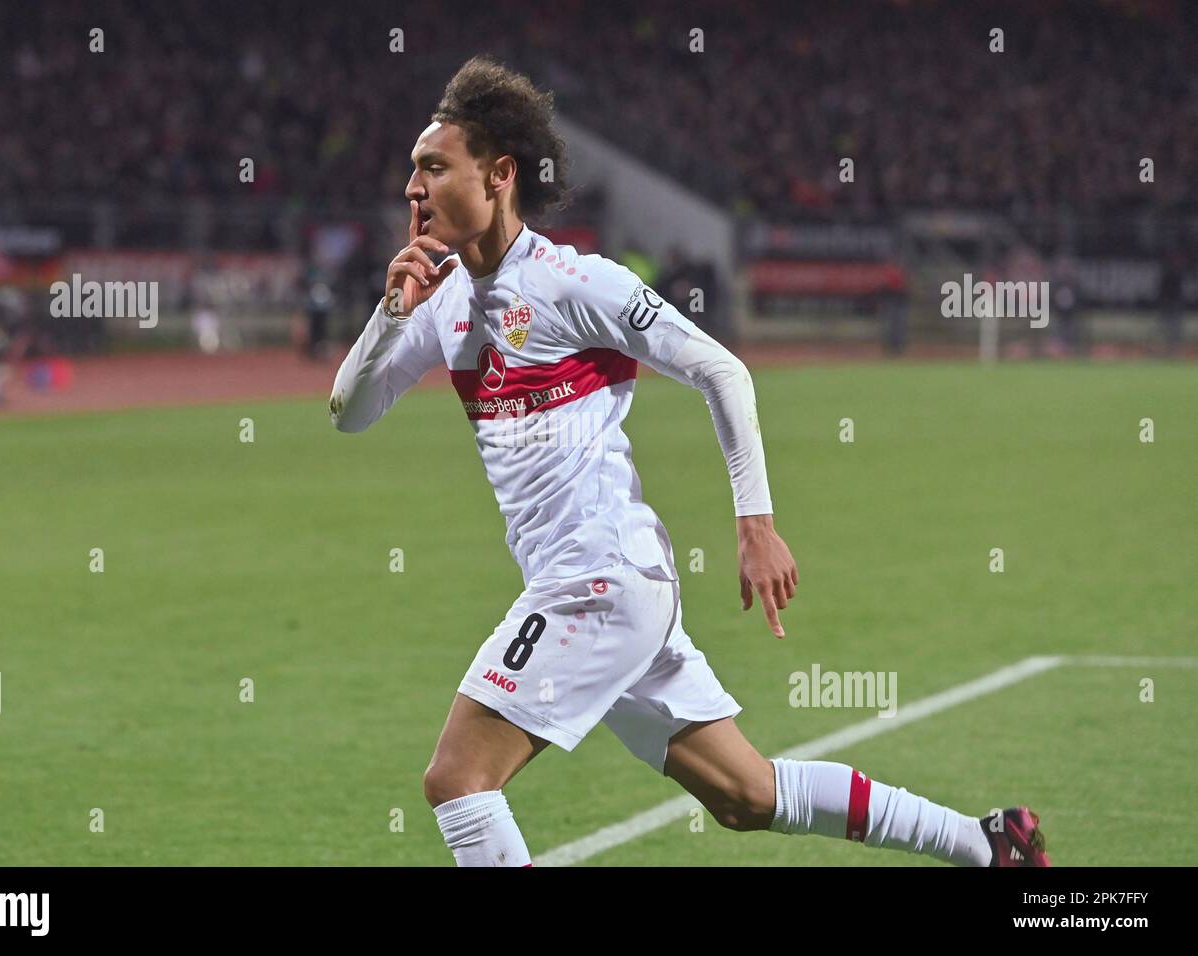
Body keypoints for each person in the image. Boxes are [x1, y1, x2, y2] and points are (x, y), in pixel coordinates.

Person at [329, 55, 1048, 868]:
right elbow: (350, 413)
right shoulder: (443, 298)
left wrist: (756, 522)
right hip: (606, 587)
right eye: (411, 174)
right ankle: (991, 846)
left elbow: (721, 369)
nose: (412, 191)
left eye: (432, 168)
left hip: (597, 581)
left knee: (458, 779)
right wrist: (391, 316)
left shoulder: (575, 282)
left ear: (498, 175)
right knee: (747, 796)